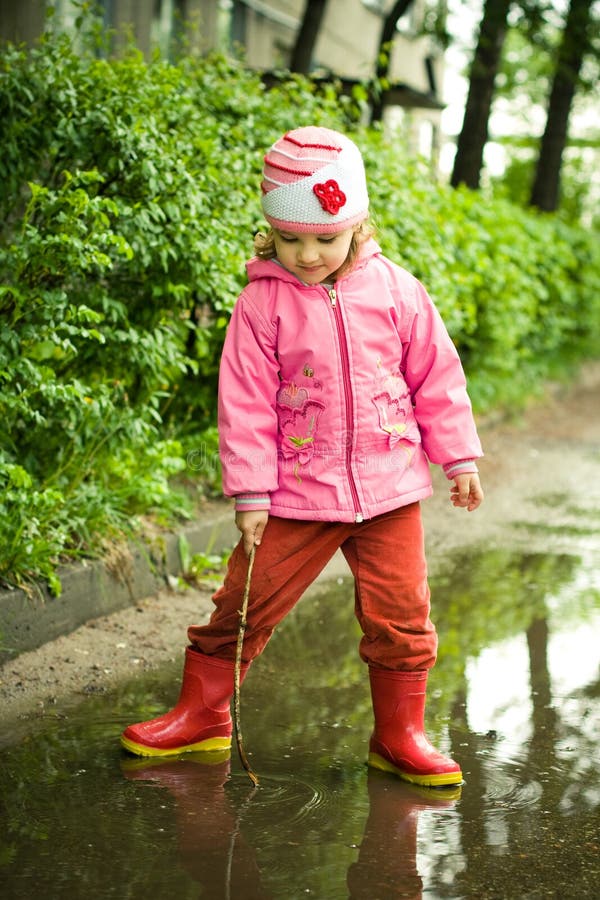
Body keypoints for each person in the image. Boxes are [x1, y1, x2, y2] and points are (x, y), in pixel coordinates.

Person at [121, 126, 484, 787]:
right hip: (296, 492)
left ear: (356, 222)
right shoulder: (263, 304)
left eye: (325, 237)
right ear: (270, 230)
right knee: (245, 601)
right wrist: (252, 495)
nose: (307, 253)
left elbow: (437, 376)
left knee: (403, 617)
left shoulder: (398, 292)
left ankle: (400, 735)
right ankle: (202, 714)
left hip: (389, 490)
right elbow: (247, 405)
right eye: (290, 239)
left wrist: (458, 457)